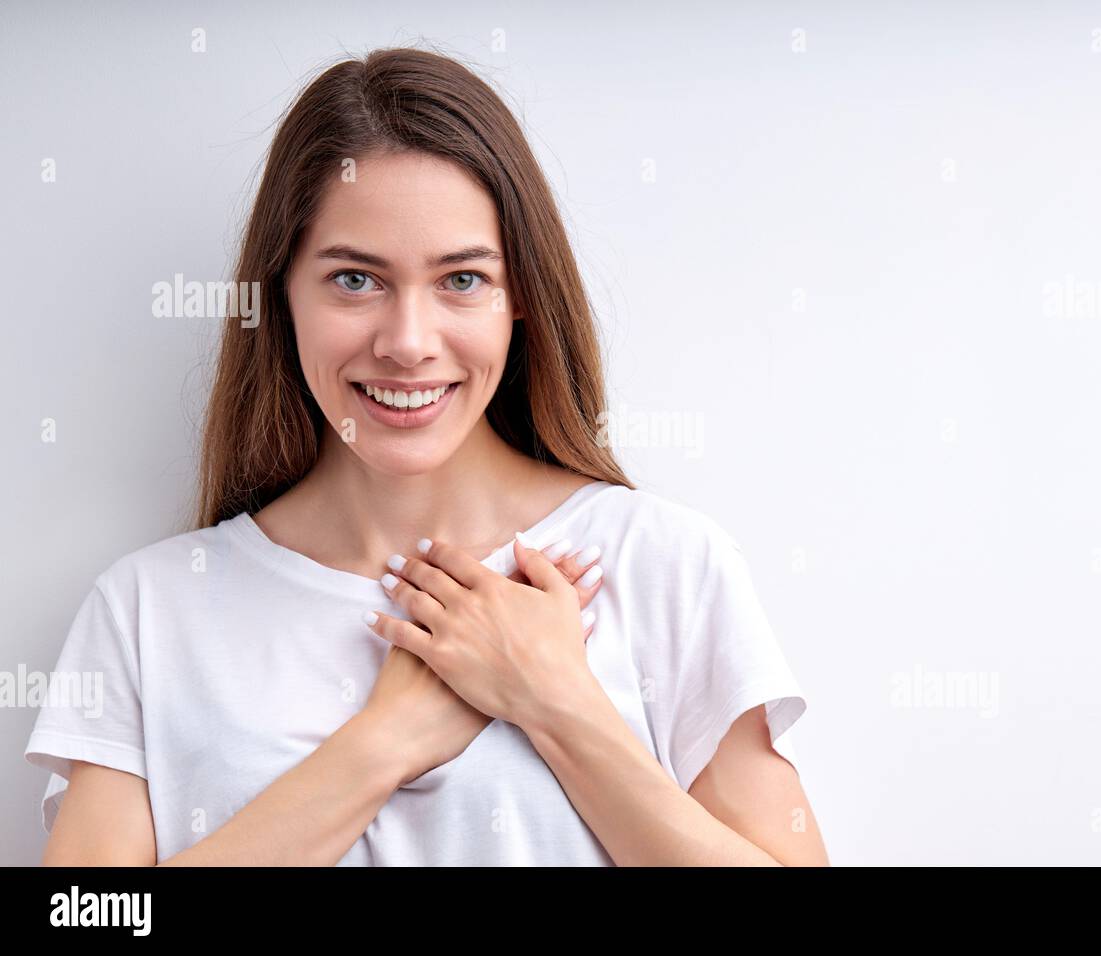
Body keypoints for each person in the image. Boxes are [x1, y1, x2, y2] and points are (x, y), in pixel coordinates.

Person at [24, 46, 827, 866]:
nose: (408, 344)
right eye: (355, 280)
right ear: (282, 295)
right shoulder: (148, 612)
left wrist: (557, 705)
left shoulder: (665, 565)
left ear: (522, 300)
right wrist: (382, 745)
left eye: (463, 280)